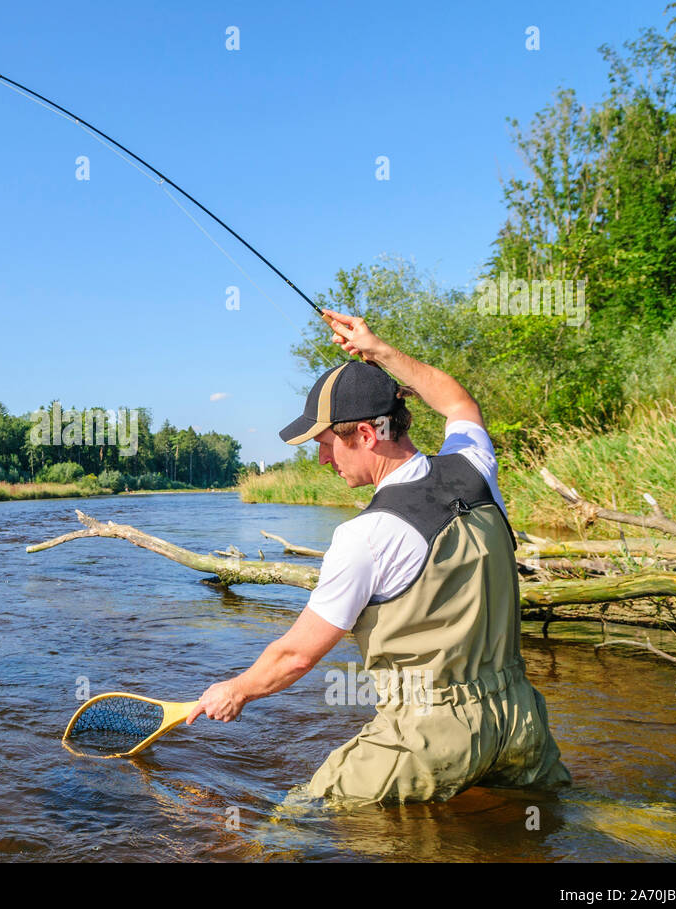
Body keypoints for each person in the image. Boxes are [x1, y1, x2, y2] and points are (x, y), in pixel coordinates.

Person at [186, 310, 571, 804]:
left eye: (326, 444)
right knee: (538, 820)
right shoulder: (476, 466)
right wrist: (381, 350)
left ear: (367, 436)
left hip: (430, 735)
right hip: (519, 722)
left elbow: (297, 655)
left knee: (301, 820)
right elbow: (457, 400)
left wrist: (236, 690)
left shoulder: (364, 536)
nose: (323, 459)